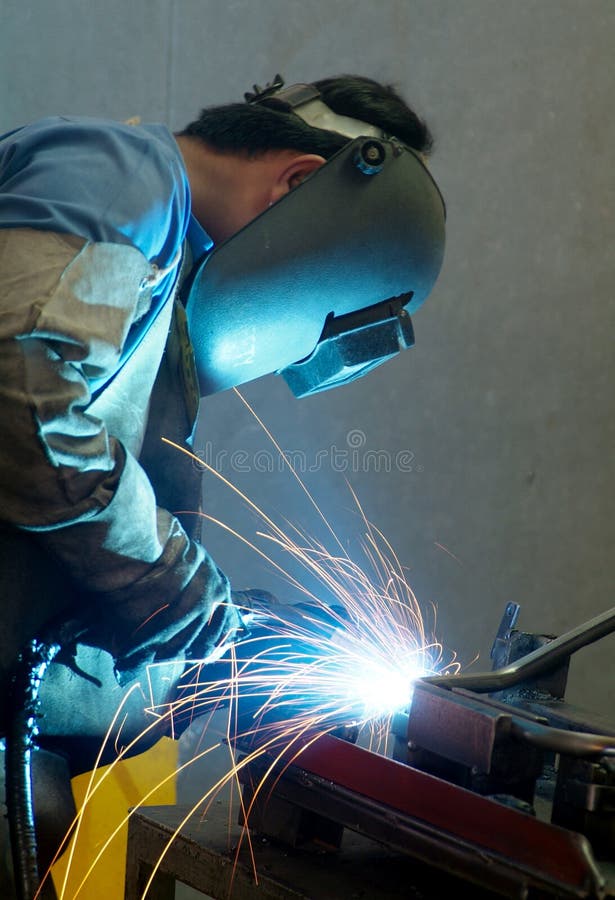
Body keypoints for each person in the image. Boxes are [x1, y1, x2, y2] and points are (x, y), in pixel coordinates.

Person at [0, 73, 443, 893]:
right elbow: (21, 390)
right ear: (301, 182)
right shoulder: (121, 178)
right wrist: (168, 582)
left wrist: (221, 638)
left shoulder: (160, 267)